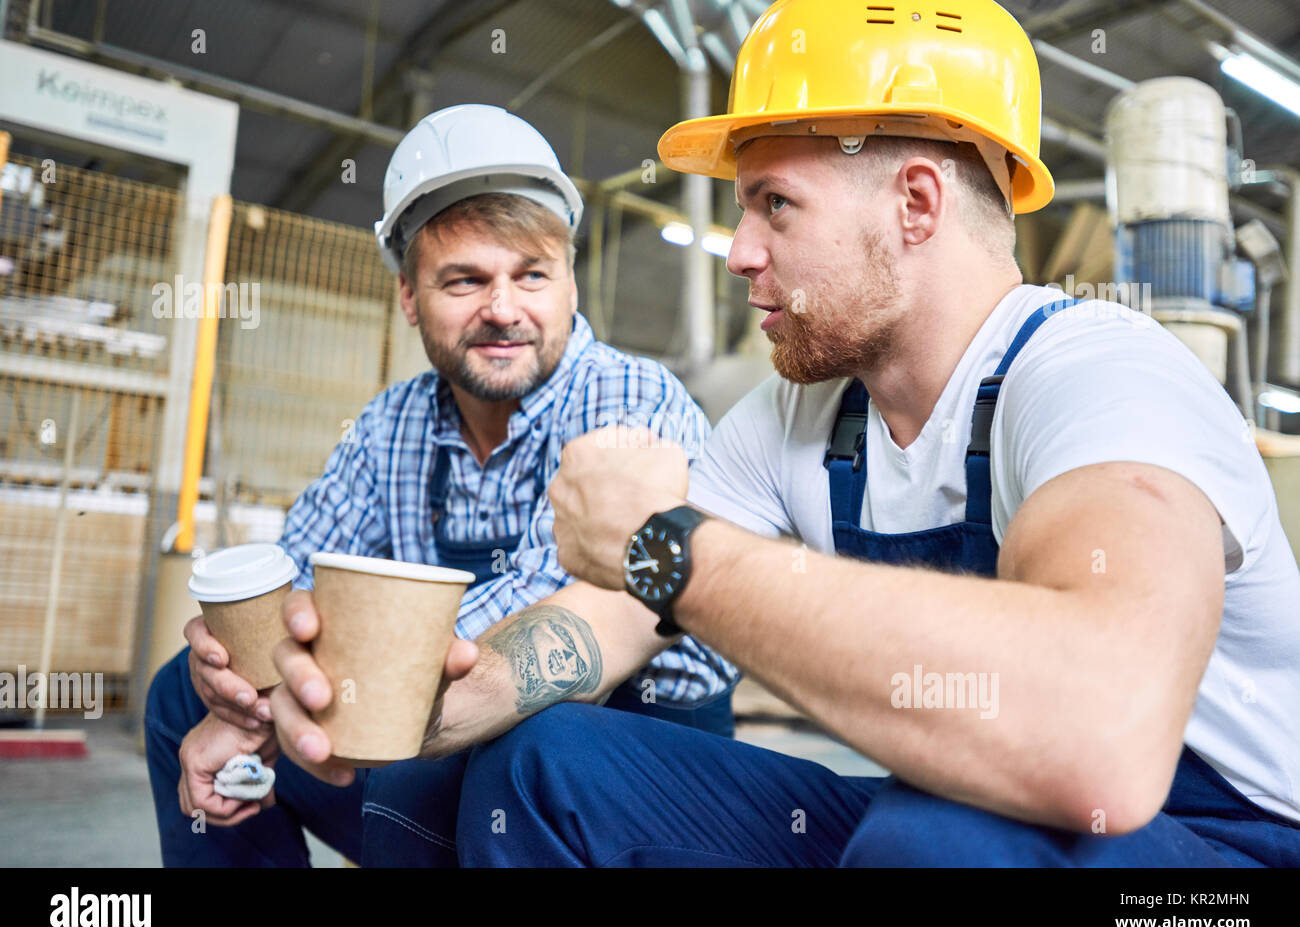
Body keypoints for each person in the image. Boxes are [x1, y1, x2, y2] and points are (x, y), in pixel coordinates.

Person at [439, 0, 1300, 866]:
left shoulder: (1098, 375)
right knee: (543, 764)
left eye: (775, 203)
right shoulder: (803, 413)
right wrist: (423, 699)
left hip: (1216, 864)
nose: (737, 250)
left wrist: (672, 547)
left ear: (916, 204)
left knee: (935, 841)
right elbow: (624, 607)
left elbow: (1099, 741)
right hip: (964, 808)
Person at [143, 104, 737, 867]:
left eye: (531, 276)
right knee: (177, 697)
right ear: (408, 295)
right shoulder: (391, 425)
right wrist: (242, 672)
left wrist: (287, 701)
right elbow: (297, 569)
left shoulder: (630, 405)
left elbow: (541, 625)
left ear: (570, 284)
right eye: (465, 280)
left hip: (626, 761)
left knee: (423, 766)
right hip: (445, 735)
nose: (503, 309)